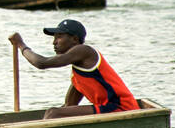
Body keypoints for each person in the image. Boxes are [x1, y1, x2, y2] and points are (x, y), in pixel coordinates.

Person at [9, 19, 139, 120]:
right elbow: (70, 105)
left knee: (53, 113)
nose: (54, 42)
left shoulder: (84, 50)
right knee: (53, 112)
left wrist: (21, 44)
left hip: (121, 108)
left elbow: (41, 63)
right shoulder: (79, 74)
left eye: (59, 37)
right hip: (110, 109)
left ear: (75, 39)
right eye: (54, 38)